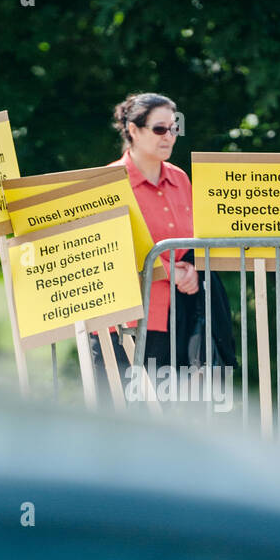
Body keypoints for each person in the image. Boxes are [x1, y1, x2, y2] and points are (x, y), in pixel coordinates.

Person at [92, 91, 234, 391]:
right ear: (133, 130)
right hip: (122, 324)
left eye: (174, 128)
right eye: (159, 128)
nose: (168, 136)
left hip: (178, 319)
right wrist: (173, 273)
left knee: (167, 417)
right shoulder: (108, 182)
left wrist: (193, 271)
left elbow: (196, 242)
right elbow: (107, 255)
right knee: (119, 419)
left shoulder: (181, 178)